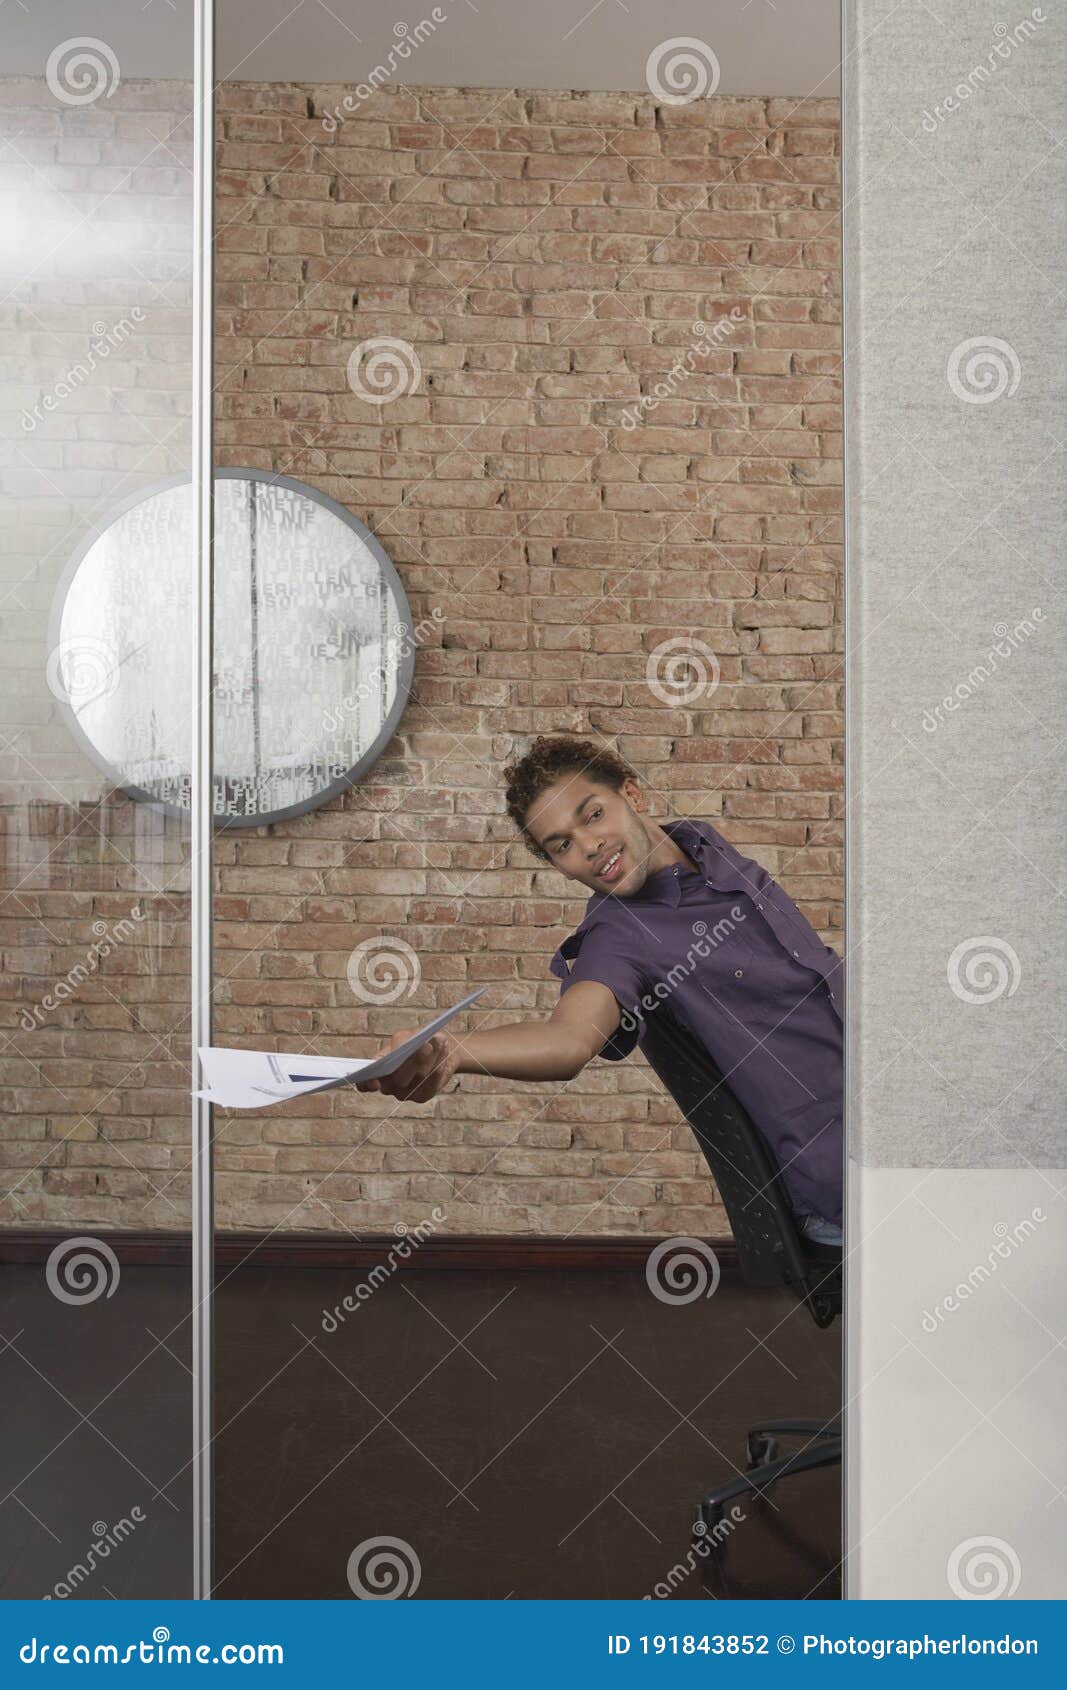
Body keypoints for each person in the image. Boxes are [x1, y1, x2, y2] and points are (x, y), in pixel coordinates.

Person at [357, 735, 843, 1243]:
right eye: (562, 845)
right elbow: (568, 1039)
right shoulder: (618, 937)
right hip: (843, 1179)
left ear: (632, 796)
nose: (588, 846)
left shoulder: (703, 843)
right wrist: (453, 1052)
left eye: (592, 815)